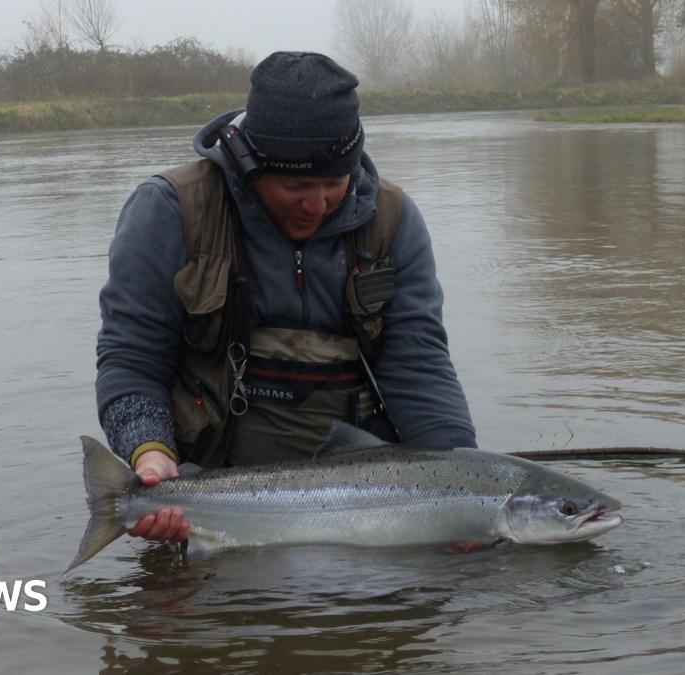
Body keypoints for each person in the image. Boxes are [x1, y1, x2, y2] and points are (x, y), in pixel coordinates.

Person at [95, 52, 475, 543]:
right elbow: (132, 357)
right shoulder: (170, 211)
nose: (316, 205)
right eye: (296, 186)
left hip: (366, 498)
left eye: (334, 183)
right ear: (249, 165)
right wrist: (150, 454)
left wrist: (459, 493)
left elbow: (418, 364)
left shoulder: (392, 220)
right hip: (211, 485)